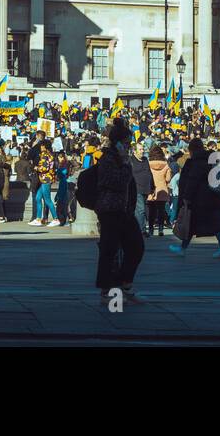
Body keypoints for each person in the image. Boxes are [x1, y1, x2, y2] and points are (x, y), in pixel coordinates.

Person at [93, 119, 145, 302]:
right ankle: (106, 289)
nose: (129, 147)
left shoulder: (123, 160)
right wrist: (124, 164)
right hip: (110, 210)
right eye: (127, 143)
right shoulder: (108, 159)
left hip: (124, 211)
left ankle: (124, 281)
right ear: (118, 143)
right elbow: (119, 182)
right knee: (109, 250)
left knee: (137, 246)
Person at [170, 137, 220, 260]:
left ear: (191, 150)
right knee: (216, 224)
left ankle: (182, 248)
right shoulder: (212, 160)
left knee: (191, 224)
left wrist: (186, 197)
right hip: (214, 198)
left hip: (199, 199)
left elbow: (191, 182)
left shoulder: (194, 163)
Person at [146, 145, 172, 237]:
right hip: (162, 189)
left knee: (151, 211)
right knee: (161, 211)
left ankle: (151, 230)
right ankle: (161, 229)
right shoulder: (166, 165)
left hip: (151, 190)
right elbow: (168, 179)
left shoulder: (148, 164)